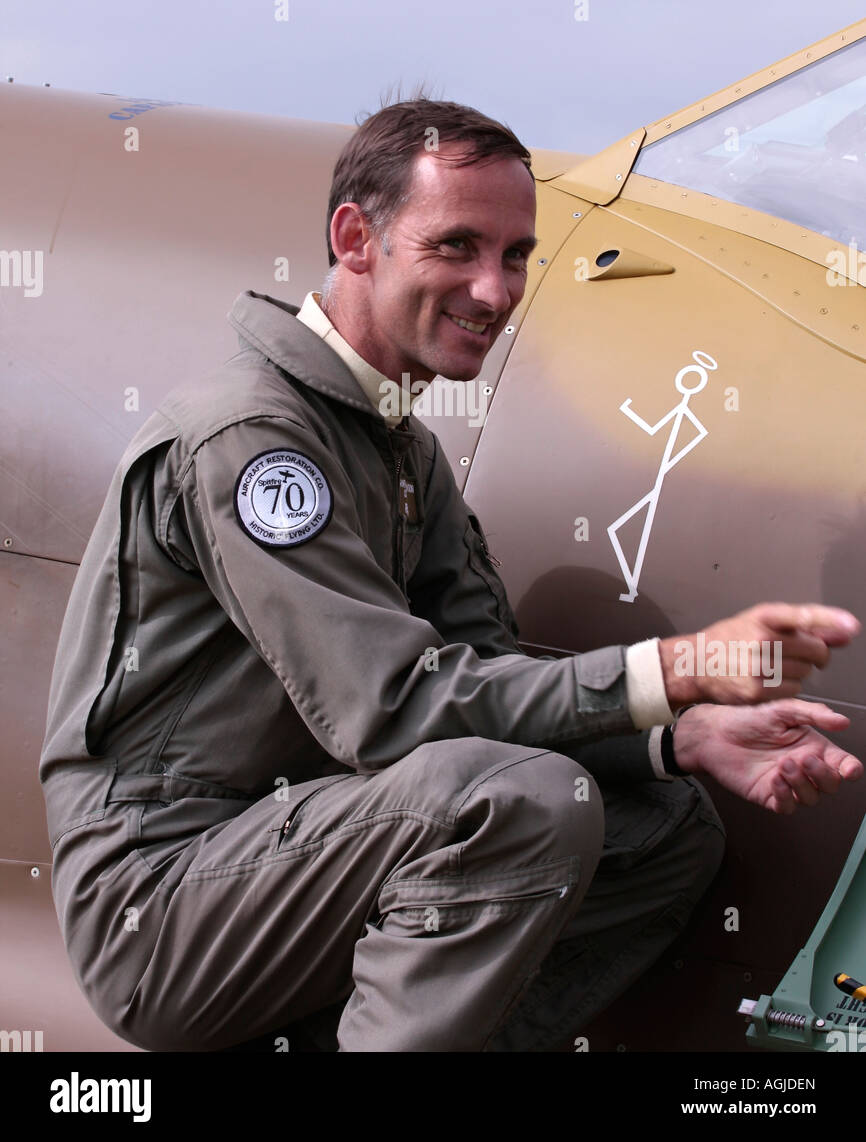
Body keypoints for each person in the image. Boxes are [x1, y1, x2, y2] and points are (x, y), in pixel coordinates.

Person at [39, 98, 862, 1053]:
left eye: (516, 255)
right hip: (163, 900)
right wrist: (674, 670)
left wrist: (678, 743)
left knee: (664, 834)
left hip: (296, 857)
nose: (494, 288)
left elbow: (485, 686)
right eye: (458, 246)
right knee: (517, 803)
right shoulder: (254, 441)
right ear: (357, 237)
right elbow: (392, 712)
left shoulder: (404, 454)